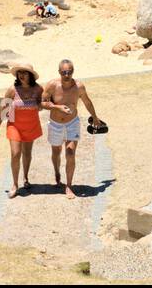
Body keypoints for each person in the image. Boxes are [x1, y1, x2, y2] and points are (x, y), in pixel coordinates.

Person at [0, 64, 69, 198]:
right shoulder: (12, 90)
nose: (21, 75)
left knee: (27, 153)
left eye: (25, 73)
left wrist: (58, 108)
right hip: (14, 126)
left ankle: (26, 178)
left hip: (31, 125)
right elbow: (3, 110)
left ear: (31, 75)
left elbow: (45, 104)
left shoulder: (38, 89)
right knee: (15, 153)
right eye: (19, 73)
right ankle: (15, 185)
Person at [40, 60, 105, 199]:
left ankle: (69, 186)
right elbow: (42, 103)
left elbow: (87, 101)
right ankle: (57, 173)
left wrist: (94, 117)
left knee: (70, 153)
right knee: (56, 152)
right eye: (64, 72)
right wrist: (57, 107)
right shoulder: (52, 85)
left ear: (73, 71)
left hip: (72, 123)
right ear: (59, 72)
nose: (67, 74)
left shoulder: (79, 86)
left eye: (69, 71)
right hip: (55, 124)